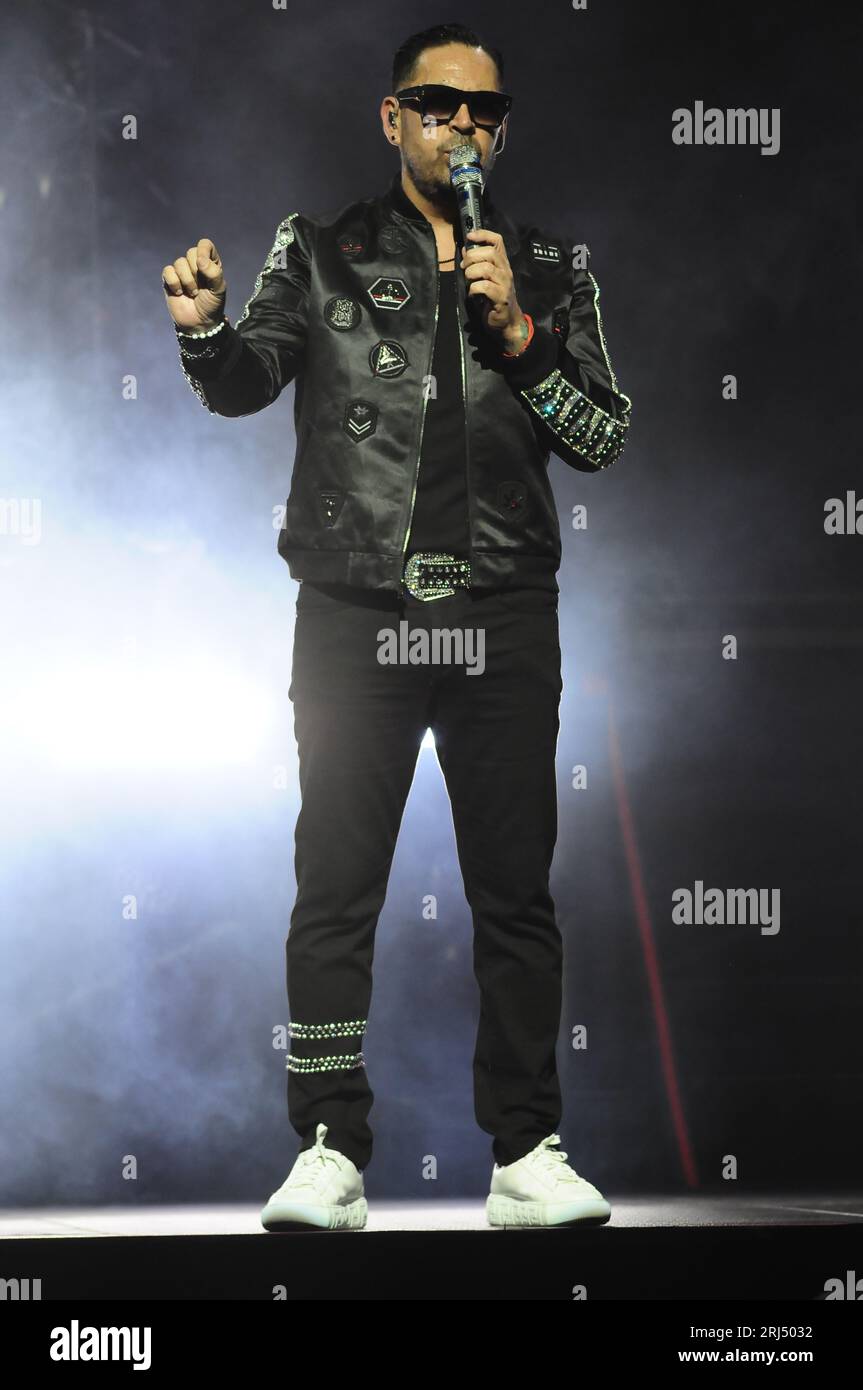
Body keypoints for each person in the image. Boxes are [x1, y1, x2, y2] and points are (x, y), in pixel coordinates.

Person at [162, 22, 632, 1231]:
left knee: (514, 891)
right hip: (356, 606)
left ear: (500, 128)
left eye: (482, 111)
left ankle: (526, 1152)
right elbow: (245, 379)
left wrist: (518, 331)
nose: (461, 127)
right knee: (336, 885)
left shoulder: (545, 264)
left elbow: (600, 436)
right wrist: (204, 330)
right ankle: (327, 1148)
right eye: (436, 105)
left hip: (502, 606)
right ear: (392, 118)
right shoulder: (316, 252)